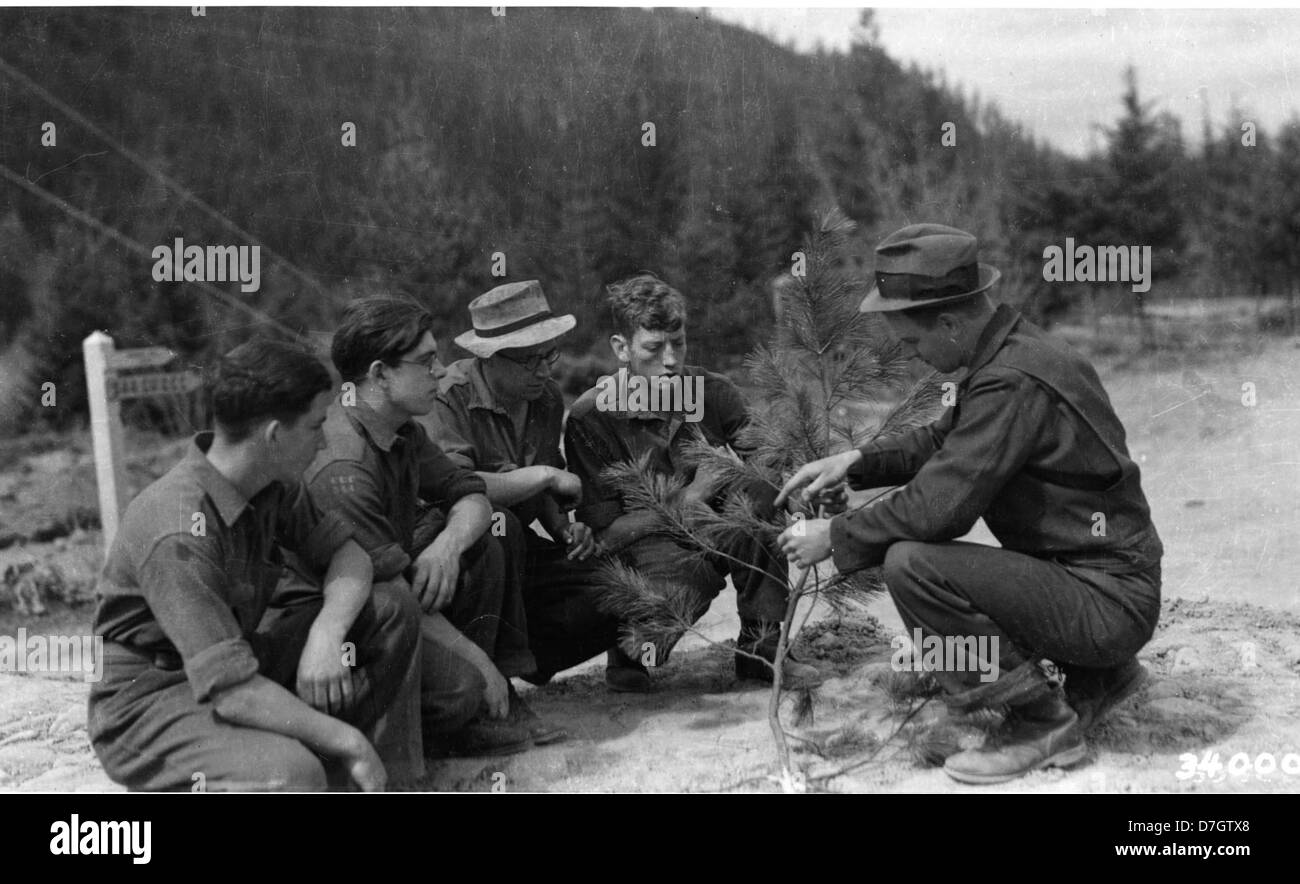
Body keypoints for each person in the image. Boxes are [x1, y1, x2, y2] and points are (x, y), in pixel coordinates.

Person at [776, 223, 1163, 784]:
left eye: (912, 343)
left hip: (1108, 603)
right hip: (1103, 586)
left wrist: (835, 537)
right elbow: (940, 442)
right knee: (925, 558)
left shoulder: (1009, 380)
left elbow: (939, 508)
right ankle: (1098, 677)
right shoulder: (1016, 353)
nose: (914, 357)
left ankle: (1038, 723)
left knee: (912, 564)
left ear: (952, 322)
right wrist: (855, 461)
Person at [89, 339, 422, 791]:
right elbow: (233, 691)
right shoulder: (178, 529)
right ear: (273, 435)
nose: (324, 441)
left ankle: (357, 779)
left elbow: (351, 557)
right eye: (315, 425)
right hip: (150, 701)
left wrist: (326, 635)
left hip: (235, 664)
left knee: (388, 604)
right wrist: (351, 741)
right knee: (289, 773)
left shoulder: (271, 480)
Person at [289, 296, 562, 755]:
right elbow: (383, 586)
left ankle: (478, 707)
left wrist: (448, 546)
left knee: (487, 535)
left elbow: (469, 489)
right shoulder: (343, 462)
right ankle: (428, 724)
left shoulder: (403, 429)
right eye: (425, 362)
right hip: (333, 619)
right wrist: (479, 664)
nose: (439, 371)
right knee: (461, 689)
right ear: (379, 374)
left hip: (382, 594)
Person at [565, 273, 821, 692]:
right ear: (621, 348)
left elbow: (769, 462)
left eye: (678, 343)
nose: (670, 360)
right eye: (653, 348)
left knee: (758, 495)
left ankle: (763, 648)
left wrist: (800, 494)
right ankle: (626, 652)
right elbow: (606, 536)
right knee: (659, 624)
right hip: (648, 550)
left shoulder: (712, 392)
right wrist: (692, 496)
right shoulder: (591, 417)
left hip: (712, 529)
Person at [420, 280, 619, 686]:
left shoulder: (544, 397)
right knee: (500, 523)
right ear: (488, 357)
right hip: (463, 553)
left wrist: (566, 529)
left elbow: (546, 491)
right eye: (529, 360)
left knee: (617, 586)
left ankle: (527, 660)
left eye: (548, 355)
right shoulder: (448, 398)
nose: (545, 370)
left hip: (519, 554)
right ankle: (491, 678)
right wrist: (543, 475)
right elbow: (459, 485)